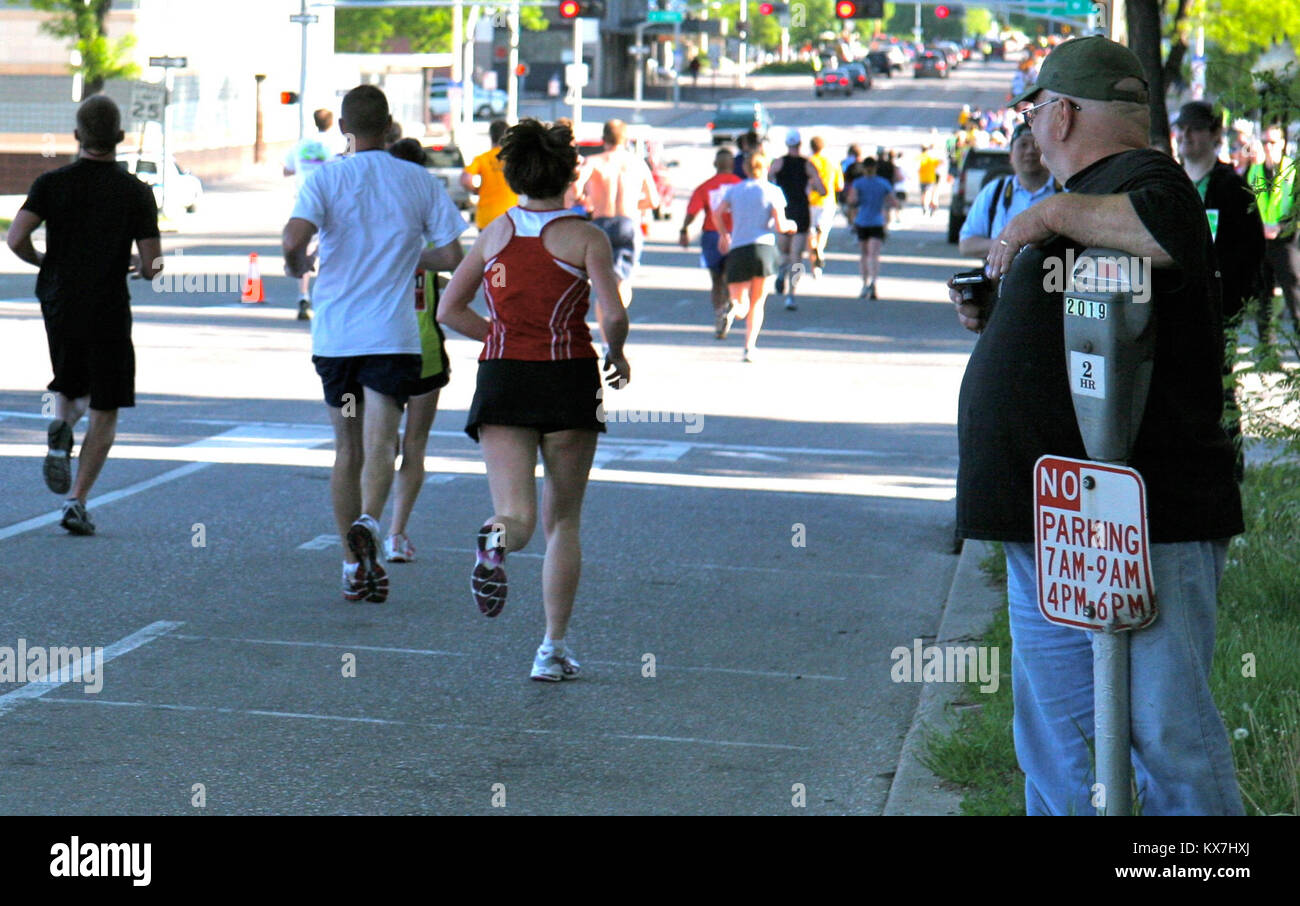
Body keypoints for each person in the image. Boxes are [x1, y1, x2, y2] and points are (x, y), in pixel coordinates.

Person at [955, 35, 1245, 815]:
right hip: (1053, 515)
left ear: (1064, 113)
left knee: (1165, 733)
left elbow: (1170, 234)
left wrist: (1046, 210)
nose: (1032, 130)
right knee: (1058, 741)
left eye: (1038, 111)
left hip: (1142, 518)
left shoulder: (1145, 179)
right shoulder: (1095, 198)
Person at [436, 119, 630, 682]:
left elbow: (450, 309)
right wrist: (616, 351)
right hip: (568, 375)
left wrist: (495, 336)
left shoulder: (494, 233)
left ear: (513, 172)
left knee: (515, 516)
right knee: (563, 522)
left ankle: (495, 541)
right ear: (571, 174)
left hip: (502, 379)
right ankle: (551, 649)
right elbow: (612, 314)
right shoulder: (587, 237)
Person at [282, 85, 466, 604]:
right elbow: (453, 255)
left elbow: (294, 241)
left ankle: (349, 562)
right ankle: (370, 521)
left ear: (343, 128)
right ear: (390, 127)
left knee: (347, 448)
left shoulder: (327, 178)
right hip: (393, 339)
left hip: (338, 339)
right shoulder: (418, 181)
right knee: (384, 444)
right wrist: (407, 258)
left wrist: (298, 267)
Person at [6, 95, 162, 536]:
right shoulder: (136, 191)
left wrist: (43, 261)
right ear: (118, 139)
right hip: (108, 306)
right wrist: (139, 264)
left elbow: (16, 237)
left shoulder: (51, 183)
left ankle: (60, 426)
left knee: (70, 385)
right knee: (105, 408)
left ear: (77, 137)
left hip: (58, 301)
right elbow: (153, 266)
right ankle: (76, 501)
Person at [379, 138, 463, 562]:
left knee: (378, 444)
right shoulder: (431, 219)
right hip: (425, 348)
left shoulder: (378, 220)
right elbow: (453, 269)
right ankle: (396, 534)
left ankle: (366, 524)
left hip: (378, 346)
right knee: (415, 447)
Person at [1174, 101, 1266, 483]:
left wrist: (1231, 305)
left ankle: (1229, 470)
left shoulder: (1232, 187)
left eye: (1196, 129)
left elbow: (1251, 252)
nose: (1187, 136)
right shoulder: (1171, 184)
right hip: (1175, 308)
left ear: (1215, 135)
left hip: (1218, 311)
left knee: (1219, 389)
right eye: (1183, 129)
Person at [714, 152, 796, 362]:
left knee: (740, 302)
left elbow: (718, 212)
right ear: (766, 168)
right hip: (764, 249)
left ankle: (732, 308)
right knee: (757, 302)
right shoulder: (773, 191)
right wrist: (791, 226)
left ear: (746, 169)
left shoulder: (735, 190)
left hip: (739, 248)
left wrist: (724, 234)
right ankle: (749, 348)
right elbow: (780, 224)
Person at [573, 118, 660, 307]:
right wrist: (632, 204)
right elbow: (653, 201)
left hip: (599, 223)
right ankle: (616, 319)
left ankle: (607, 329)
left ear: (604, 138)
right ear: (626, 139)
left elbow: (575, 189)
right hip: (627, 223)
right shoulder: (637, 163)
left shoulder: (593, 162)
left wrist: (587, 200)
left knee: (603, 284)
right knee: (623, 281)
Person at [958, 122, 1058, 260]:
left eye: (1037, 144)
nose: (1030, 151)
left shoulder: (1065, 191)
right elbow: (966, 244)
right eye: (1023, 145)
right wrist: (1007, 245)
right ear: (1010, 156)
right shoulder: (994, 192)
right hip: (1001, 280)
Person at [283, 108, 347, 320]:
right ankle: (329, 298)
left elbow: (287, 169)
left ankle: (303, 295)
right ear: (333, 123)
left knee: (305, 247)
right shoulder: (337, 144)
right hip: (331, 202)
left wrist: (302, 169)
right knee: (331, 247)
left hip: (304, 202)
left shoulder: (301, 144)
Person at [680, 147, 742, 338]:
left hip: (712, 235)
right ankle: (731, 302)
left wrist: (684, 230)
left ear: (715, 164)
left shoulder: (706, 186)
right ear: (732, 165)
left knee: (716, 279)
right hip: (737, 235)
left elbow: (692, 211)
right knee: (732, 277)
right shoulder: (741, 185)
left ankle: (718, 314)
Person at [1246, 122, 1298, 341]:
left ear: (1283, 143)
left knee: (1295, 298)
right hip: (1261, 243)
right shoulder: (1255, 171)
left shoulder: (1293, 170)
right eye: (1265, 141)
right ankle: (1265, 352)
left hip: (1287, 242)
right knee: (1262, 302)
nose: (1268, 146)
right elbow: (1248, 206)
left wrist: (1280, 227)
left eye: (1273, 142)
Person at [768, 130, 826, 311]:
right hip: (801, 210)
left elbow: (768, 180)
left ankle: (780, 272)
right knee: (797, 256)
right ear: (800, 145)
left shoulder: (778, 163)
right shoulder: (807, 165)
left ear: (787, 144)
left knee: (783, 250)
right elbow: (822, 189)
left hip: (783, 209)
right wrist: (811, 187)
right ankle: (791, 294)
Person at [847, 156, 899, 300]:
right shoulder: (883, 183)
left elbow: (852, 200)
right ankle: (874, 281)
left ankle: (864, 283)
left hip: (862, 220)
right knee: (874, 254)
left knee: (864, 254)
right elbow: (893, 202)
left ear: (864, 168)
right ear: (875, 168)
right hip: (877, 221)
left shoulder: (858, 183)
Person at [461, 119, 519, 233]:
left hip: (486, 216)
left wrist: (476, 190)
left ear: (491, 136)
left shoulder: (483, 158)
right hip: (510, 215)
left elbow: (465, 179)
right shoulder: (513, 159)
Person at [807, 135, 843, 279]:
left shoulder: (809, 162)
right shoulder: (833, 162)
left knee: (810, 234)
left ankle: (814, 267)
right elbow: (840, 185)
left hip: (810, 201)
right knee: (823, 231)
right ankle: (820, 251)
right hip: (827, 201)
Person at [918, 142, 943, 216]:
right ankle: (930, 207)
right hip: (932, 177)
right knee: (930, 193)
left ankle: (927, 206)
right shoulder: (932, 156)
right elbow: (940, 163)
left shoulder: (923, 156)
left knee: (925, 193)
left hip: (924, 178)